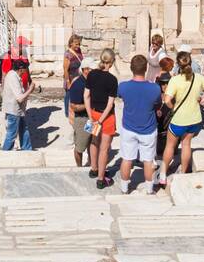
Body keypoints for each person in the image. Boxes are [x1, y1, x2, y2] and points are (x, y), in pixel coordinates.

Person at [161, 51, 204, 179]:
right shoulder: (198, 78)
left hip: (179, 120)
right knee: (186, 145)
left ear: (178, 65)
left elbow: (167, 100)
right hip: (194, 119)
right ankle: (183, 174)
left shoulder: (175, 80)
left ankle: (163, 174)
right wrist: (203, 100)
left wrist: (173, 108)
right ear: (190, 62)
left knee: (170, 145)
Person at [117, 54, 162, 195]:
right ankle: (149, 189)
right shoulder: (155, 88)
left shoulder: (123, 87)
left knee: (127, 158)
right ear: (146, 68)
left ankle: (125, 188)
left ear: (131, 68)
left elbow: (121, 97)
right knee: (148, 160)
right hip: (148, 129)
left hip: (129, 127)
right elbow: (158, 105)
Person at [84, 49, 119, 189]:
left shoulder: (91, 74)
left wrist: (90, 115)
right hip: (107, 117)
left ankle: (94, 168)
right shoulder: (112, 80)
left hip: (93, 113)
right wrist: (100, 120)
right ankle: (101, 178)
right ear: (111, 63)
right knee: (104, 149)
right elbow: (110, 104)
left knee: (94, 141)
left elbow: (86, 96)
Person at [0, 58, 34, 151]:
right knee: (12, 134)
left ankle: (27, 149)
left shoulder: (13, 75)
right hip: (14, 111)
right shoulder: (13, 78)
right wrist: (30, 90)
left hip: (19, 111)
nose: (25, 72)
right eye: (25, 69)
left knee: (24, 130)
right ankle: (5, 151)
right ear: (21, 69)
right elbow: (20, 98)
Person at [67, 57, 94, 169]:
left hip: (92, 119)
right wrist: (90, 106)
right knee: (80, 146)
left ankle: (92, 165)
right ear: (85, 70)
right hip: (83, 120)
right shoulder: (78, 85)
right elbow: (74, 106)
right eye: (92, 69)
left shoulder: (92, 82)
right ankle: (79, 168)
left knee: (92, 144)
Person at [62, 34, 84, 99]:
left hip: (79, 79)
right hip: (71, 80)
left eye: (79, 44)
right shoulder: (67, 54)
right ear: (71, 43)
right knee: (69, 98)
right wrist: (68, 83)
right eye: (76, 44)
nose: (78, 46)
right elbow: (65, 70)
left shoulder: (79, 51)